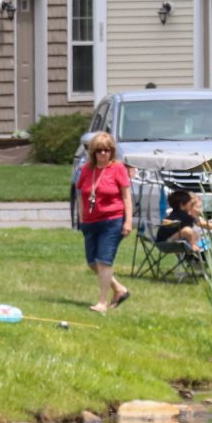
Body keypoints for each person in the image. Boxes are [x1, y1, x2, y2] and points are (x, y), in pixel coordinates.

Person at [76, 131, 133, 313]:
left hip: (112, 220)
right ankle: (119, 289)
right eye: (99, 150)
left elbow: (126, 197)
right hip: (90, 222)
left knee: (104, 261)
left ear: (112, 152)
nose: (103, 154)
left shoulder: (118, 169)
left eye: (107, 150)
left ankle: (102, 302)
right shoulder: (86, 169)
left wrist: (128, 221)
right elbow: (81, 195)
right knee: (92, 262)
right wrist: (81, 217)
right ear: (93, 152)